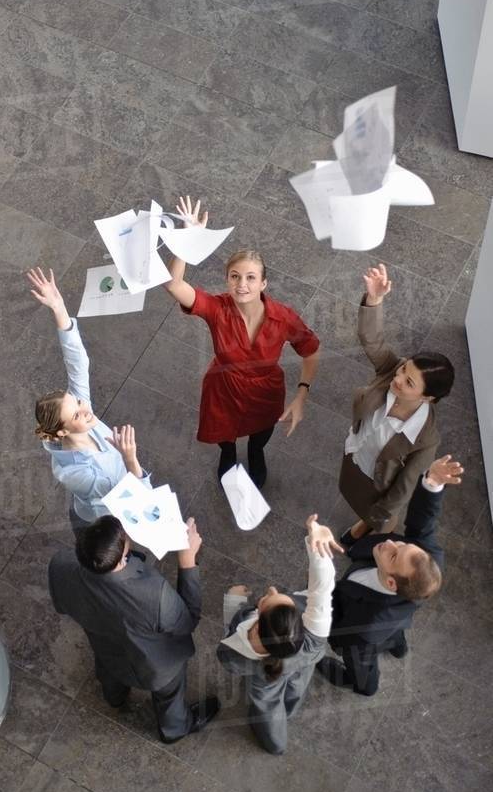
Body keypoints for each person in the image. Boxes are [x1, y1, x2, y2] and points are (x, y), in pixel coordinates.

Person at [162, 196, 320, 489]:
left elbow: (311, 351)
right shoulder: (217, 308)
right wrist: (187, 239)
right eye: (234, 277)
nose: (241, 284)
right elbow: (174, 284)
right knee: (224, 434)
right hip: (224, 387)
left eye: (250, 277)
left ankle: (256, 453)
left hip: (265, 390)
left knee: (260, 435)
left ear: (263, 283)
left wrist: (301, 394)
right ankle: (229, 453)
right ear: (227, 280)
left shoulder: (283, 318)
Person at [48, 513, 219, 743]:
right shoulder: (153, 595)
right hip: (157, 668)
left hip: (106, 649)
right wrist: (187, 561)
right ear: (120, 560)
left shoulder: (60, 566)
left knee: (110, 673)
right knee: (170, 697)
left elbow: (62, 604)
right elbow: (187, 621)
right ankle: (175, 729)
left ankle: (115, 697)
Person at [318, 453, 462, 696]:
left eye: (394, 556)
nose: (392, 543)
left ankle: (363, 685)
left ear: (391, 581)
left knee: (362, 669)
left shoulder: (368, 625)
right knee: (394, 629)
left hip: (364, 634)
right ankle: (397, 645)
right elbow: (423, 525)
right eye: (404, 545)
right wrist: (433, 482)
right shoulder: (427, 561)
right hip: (395, 614)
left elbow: (346, 633)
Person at [339, 263, 456, 542]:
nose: (398, 378)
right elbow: (372, 340)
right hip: (357, 456)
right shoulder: (392, 370)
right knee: (350, 489)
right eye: (405, 369)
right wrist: (375, 299)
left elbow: (402, 489)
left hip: (379, 486)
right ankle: (363, 524)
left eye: (409, 382)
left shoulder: (425, 440)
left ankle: (365, 529)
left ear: (428, 398)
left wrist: (380, 515)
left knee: (378, 523)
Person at [28, 266, 151, 529]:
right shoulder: (76, 473)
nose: (85, 408)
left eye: (78, 402)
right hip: (109, 521)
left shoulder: (83, 416)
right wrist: (130, 459)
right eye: (75, 413)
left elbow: (77, 362)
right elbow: (129, 500)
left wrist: (59, 308)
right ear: (62, 432)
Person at [217, 514, 340, 755]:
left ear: (258, 618)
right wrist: (317, 547)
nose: (272, 589)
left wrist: (233, 601)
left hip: (265, 682)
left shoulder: (237, 655)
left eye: (267, 598)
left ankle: (274, 742)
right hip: (302, 666)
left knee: (268, 708)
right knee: (297, 686)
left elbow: (229, 637)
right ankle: (292, 709)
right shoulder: (314, 637)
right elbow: (322, 587)